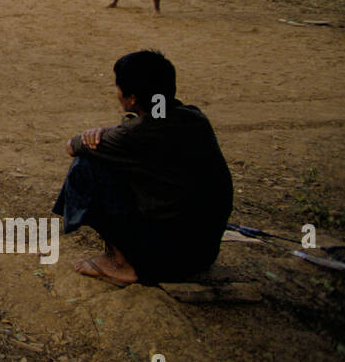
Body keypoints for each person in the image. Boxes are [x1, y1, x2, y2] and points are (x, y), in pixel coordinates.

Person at [53, 50, 233, 287]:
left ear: (133, 99)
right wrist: (113, 132)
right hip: (202, 254)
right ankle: (137, 257)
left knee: (86, 166)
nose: (116, 93)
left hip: (165, 260)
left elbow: (72, 146)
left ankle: (123, 265)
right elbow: (148, 128)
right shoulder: (193, 117)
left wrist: (100, 134)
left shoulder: (132, 136)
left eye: (118, 87)